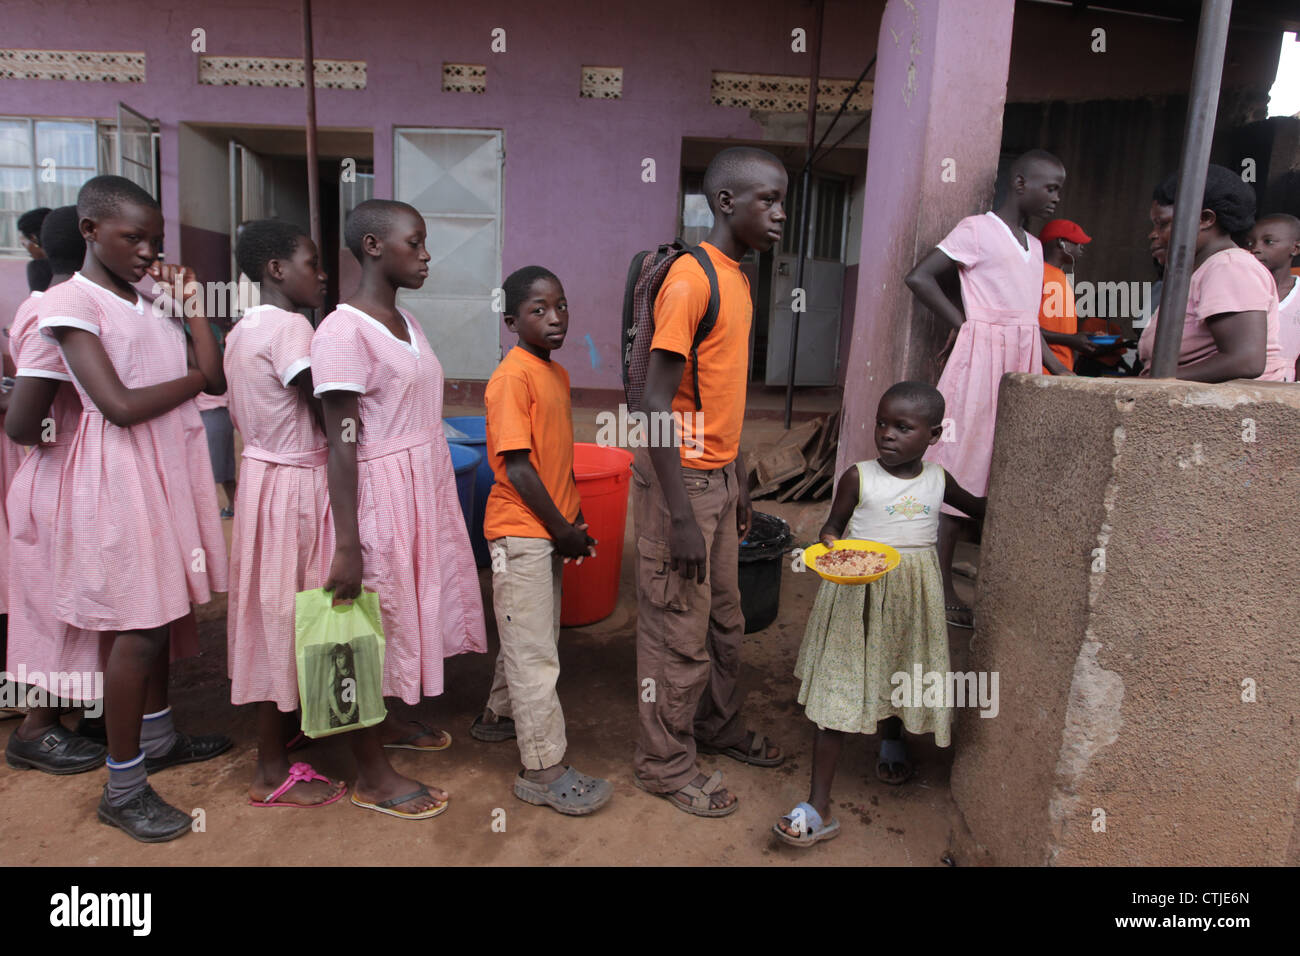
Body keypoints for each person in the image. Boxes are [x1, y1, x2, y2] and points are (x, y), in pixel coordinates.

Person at [37, 176, 232, 842]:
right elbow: (117, 406)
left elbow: (219, 373)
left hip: (165, 467)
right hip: (118, 475)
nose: (150, 251)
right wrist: (191, 384)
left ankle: (160, 738)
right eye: (133, 237)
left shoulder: (151, 296)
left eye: (157, 239)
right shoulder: (70, 300)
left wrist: (193, 307)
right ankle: (123, 788)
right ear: (90, 231)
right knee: (138, 626)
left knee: (167, 611)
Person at [313, 198, 487, 820]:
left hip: (423, 488)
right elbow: (342, 439)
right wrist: (347, 540)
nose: (426, 254)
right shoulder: (340, 332)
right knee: (359, 628)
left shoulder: (407, 324)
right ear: (372, 246)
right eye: (415, 242)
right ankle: (370, 776)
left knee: (400, 616)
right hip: (377, 496)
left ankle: (382, 723)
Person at [631, 146, 787, 818]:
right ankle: (664, 766)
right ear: (726, 204)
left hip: (717, 476)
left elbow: (718, 393)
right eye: (768, 201)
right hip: (681, 486)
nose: (781, 215)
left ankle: (715, 729)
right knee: (678, 632)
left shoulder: (741, 279)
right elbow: (653, 404)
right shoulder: (692, 281)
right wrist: (682, 516)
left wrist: (739, 475)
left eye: (784, 201)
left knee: (726, 618)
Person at [775, 381, 986, 847]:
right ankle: (818, 803)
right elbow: (832, 527)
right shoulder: (858, 476)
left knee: (898, 664)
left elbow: (980, 509)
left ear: (932, 435)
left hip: (913, 595)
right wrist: (831, 547)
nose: (887, 434)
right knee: (841, 682)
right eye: (882, 423)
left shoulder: (938, 480)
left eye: (903, 427)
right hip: (858, 591)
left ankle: (893, 739)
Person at [905, 149, 1068, 629]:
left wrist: (1059, 369)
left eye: (1061, 188)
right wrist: (966, 325)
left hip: (1018, 363)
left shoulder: (1035, 248)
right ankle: (937, 586)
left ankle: (967, 575)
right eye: (1051, 186)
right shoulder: (977, 229)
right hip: (979, 363)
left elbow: (1027, 324)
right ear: (1020, 183)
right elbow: (919, 276)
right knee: (963, 463)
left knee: (1002, 463)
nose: (1057, 197)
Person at [469, 265, 611, 815]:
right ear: (511, 320)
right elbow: (520, 468)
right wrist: (561, 530)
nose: (555, 318)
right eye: (538, 310)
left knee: (529, 635)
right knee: (534, 653)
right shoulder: (512, 378)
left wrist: (573, 526)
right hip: (521, 531)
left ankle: (499, 717)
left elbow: (555, 459)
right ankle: (543, 767)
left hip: (547, 529)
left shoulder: (555, 373)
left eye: (562, 306)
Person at [224, 218, 345, 809]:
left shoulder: (241, 329)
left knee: (275, 608)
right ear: (276, 270)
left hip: (262, 482)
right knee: (304, 613)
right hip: (298, 484)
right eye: (310, 262)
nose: (321, 274)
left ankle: (297, 726)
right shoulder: (293, 328)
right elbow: (324, 407)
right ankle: (270, 767)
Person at [1, 206, 107, 770]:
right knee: (53, 607)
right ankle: (35, 729)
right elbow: (24, 421)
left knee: (84, 603)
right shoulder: (52, 310)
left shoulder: (86, 305)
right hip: (55, 471)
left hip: (78, 469)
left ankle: (87, 710)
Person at [1138, 165, 1287, 382]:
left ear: (1205, 219)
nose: (1153, 234)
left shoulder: (1229, 267)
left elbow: (1245, 360)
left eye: (1162, 224)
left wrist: (1152, 383)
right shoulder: (1203, 270)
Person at [1246, 213, 1300, 382]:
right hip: (1241, 384)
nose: (1256, 248)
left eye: (1268, 242)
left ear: (1295, 248)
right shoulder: (1243, 290)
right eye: (1251, 242)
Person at [18, 207, 53, 293]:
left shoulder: (39, 268)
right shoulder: (76, 261)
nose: (26, 249)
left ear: (34, 239)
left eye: (24, 243)